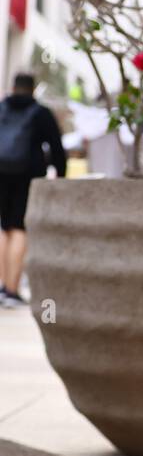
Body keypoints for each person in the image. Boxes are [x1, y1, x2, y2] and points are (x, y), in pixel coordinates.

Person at [0, 74, 66, 309]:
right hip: (27, 176)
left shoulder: (2, 108)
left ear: (13, 87)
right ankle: (11, 289)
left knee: (3, 228)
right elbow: (57, 148)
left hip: (1, 174)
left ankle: (1, 285)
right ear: (33, 88)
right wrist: (60, 176)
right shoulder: (40, 113)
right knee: (19, 228)